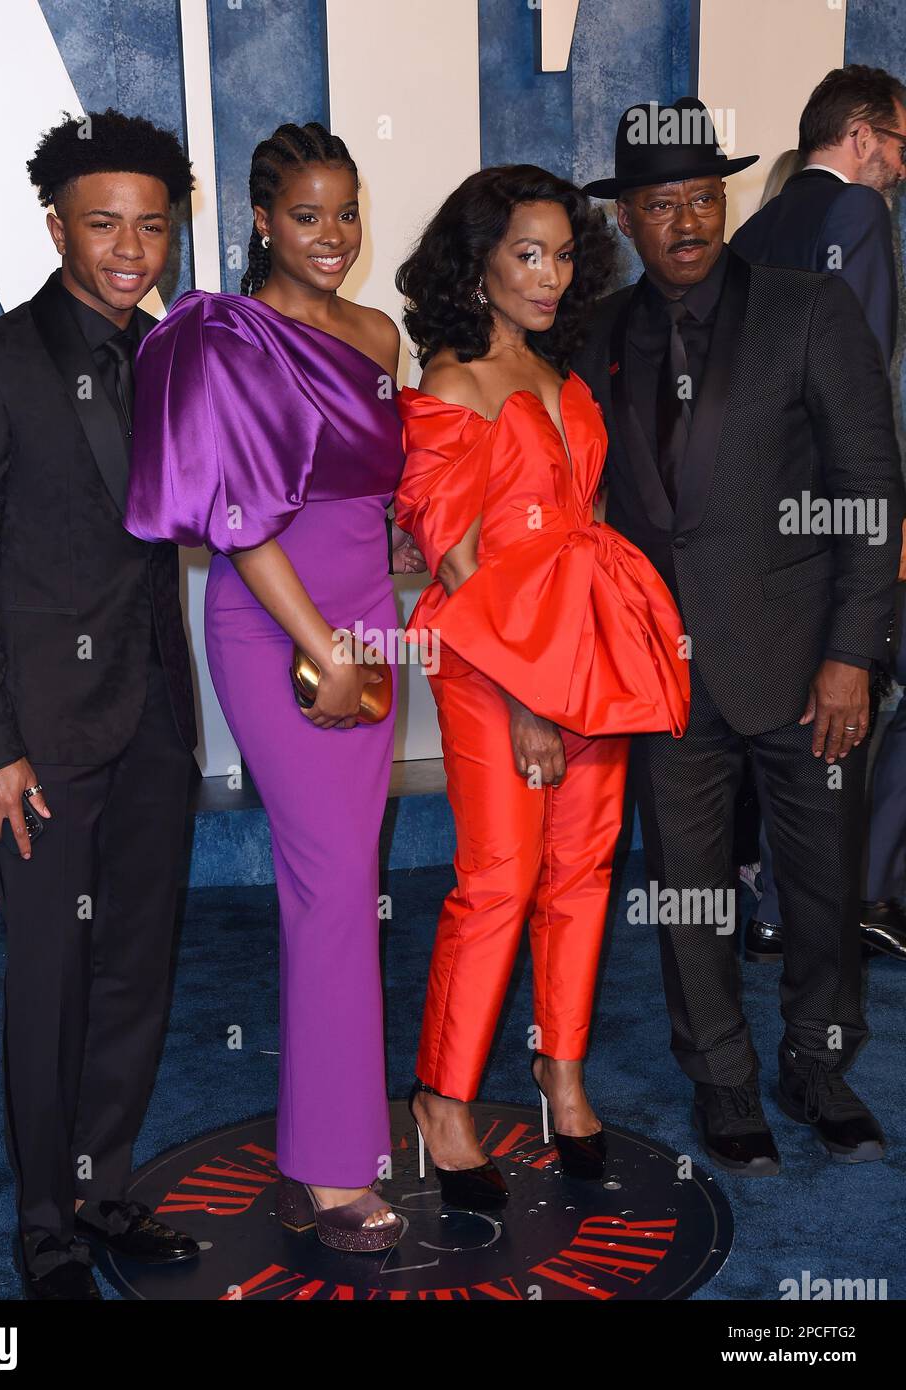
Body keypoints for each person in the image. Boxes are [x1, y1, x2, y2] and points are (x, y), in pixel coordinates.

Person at [575, 97, 904, 1176]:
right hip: (663, 681)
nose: (686, 221)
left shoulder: (806, 308)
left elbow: (866, 492)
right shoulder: (594, 340)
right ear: (625, 216)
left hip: (807, 668)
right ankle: (719, 1078)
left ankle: (815, 1065)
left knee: (818, 893)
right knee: (688, 892)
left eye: (703, 198)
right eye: (661, 202)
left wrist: (852, 655)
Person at [125, 121, 422, 1252]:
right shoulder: (223, 336)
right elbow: (241, 521)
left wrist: (394, 578)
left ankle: (334, 1136)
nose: (332, 235)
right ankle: (332, 1167)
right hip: (273, 622)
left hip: (369, 621)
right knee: (336, 882)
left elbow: (370, 495)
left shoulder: (374, 330)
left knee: (344, 880)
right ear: (259, 219)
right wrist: (325, 648)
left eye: (345, 212)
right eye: (306, 215)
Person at [0, 110, 201, 1299]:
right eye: (104, 224)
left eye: (150, 224)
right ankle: (43, 1223)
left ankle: (107, 1186)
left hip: (153, 719)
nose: (131, 247)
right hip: (34, 736)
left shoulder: (171, 355)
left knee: (138, 965)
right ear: (54, 227)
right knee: (49, 979)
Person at [392, 165, 690, 1206]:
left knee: (586, 870)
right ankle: (442, 1095)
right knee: (499, 882)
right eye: (526, 252)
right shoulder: (450, 380)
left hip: (585, 653)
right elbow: (456, 558)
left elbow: (585, 519)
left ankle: (560, 1074)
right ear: (476, 262)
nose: (549, 274)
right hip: (494, 667)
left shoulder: (563, 375)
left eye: (562, 254)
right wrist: (526, 702)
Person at [732, 65, 906, 963]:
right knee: (851, 694)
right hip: (838, 515)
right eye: (901, 148)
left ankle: (775, 905)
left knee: (796, 709)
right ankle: (861, 892)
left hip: (759, 523)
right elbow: (862, 390)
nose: (901, 172)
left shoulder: (758, 227)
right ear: (865, 135)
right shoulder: (857, 216)